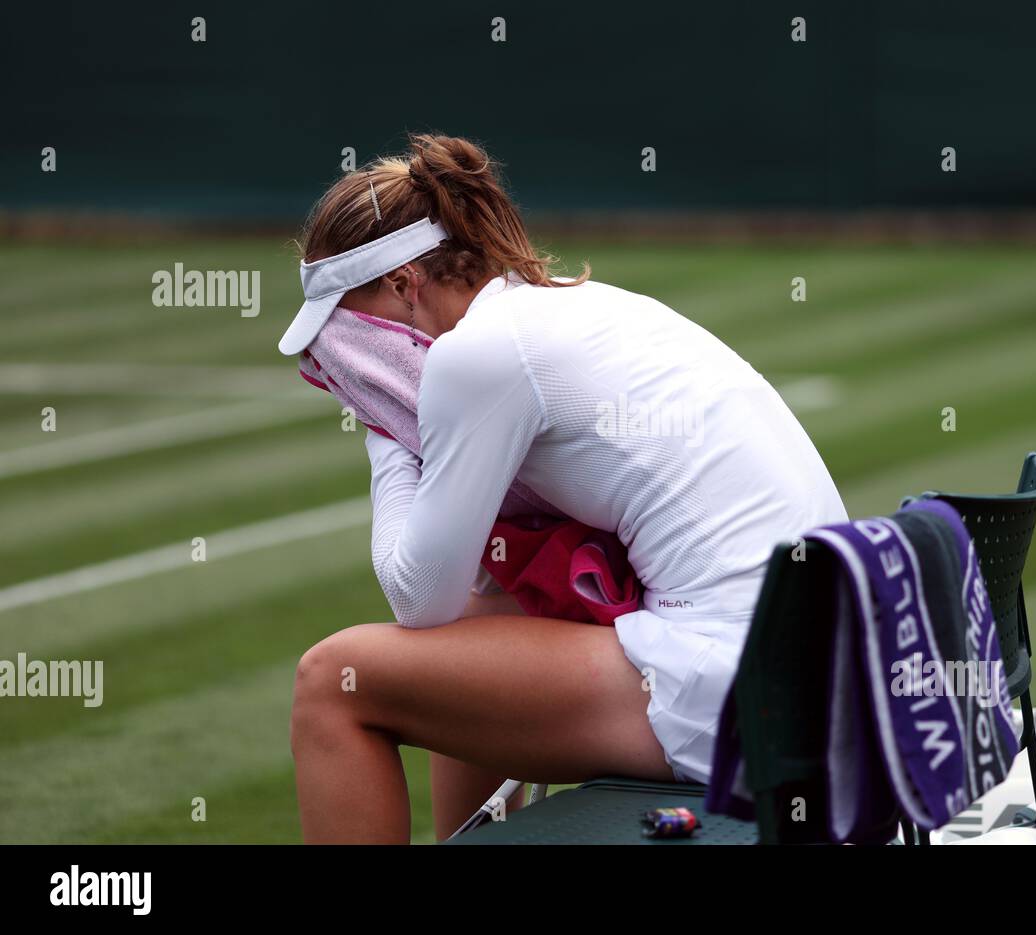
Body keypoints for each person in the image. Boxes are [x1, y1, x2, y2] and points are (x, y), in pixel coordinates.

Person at [281, 133, 847, 843]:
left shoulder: (477, 355)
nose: (344, 354)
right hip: (814, 674)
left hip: (740, 693)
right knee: (472, 633)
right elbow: (460, 608)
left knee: (333, 680)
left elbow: (418, 598)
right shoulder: (569, 307)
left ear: (403, 284)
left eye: (346, 324)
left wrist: (386, 430)